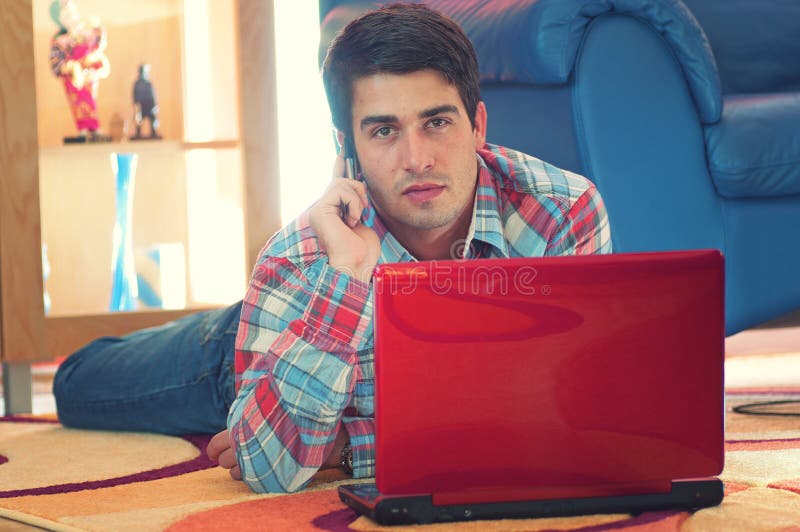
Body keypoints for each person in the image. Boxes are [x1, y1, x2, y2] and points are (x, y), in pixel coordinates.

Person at [54, 3, 612, 494]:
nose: (417, 158)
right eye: (384, 131)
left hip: (318, 375)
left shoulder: (561, 214)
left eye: (437, 122)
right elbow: (267, 467)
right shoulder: (300, 258)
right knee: (77, 386)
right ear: (346, 150)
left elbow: (567, 411)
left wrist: (350, 446)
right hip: (271, 346)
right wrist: (346, 276)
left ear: (477, 126)